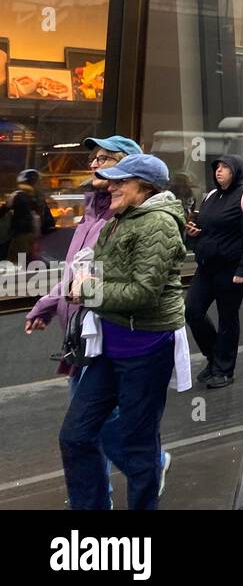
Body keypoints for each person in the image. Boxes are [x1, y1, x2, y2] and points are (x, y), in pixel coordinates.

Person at [26, 137, 158, 494]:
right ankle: (102, 487)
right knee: (84, 425)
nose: (95, 163)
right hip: (81, 333)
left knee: (94, 424)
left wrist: (70, 296)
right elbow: (76, 273)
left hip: (106, 333)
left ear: (129, 171)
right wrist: (51, 303)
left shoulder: (122, 216)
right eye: (94, 157)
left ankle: (138, 472)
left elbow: (108, 282)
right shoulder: (93, 209)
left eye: (106, 158)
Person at [58, 154, 187, 511]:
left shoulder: (158, 223)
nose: (110, 186)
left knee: (138, 445)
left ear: (144, 188)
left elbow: (143, 292)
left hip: (145, 348)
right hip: (110, 345)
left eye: (119, 181)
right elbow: (107, 274)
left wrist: (88, 290)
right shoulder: (122, 218)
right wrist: (86, 276)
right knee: (75, 435)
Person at [184, 156, 243, 389]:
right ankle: (214, 358)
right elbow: (204, 229)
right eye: (216, 168)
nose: (219, 171)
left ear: (236, 171)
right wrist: (194, 233)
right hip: (206, 267)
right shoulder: (211, 196)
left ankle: (224, 370)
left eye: (224, 168)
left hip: (232, 270)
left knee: (227, 319)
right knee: (193, 311)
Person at [3, 168, 56, 263]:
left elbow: (3, 210)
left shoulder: (16, 195)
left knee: (18, 261)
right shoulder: (39, 197)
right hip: (36, 234)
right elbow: (48, 219)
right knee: (29, 260)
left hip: (22, 234)